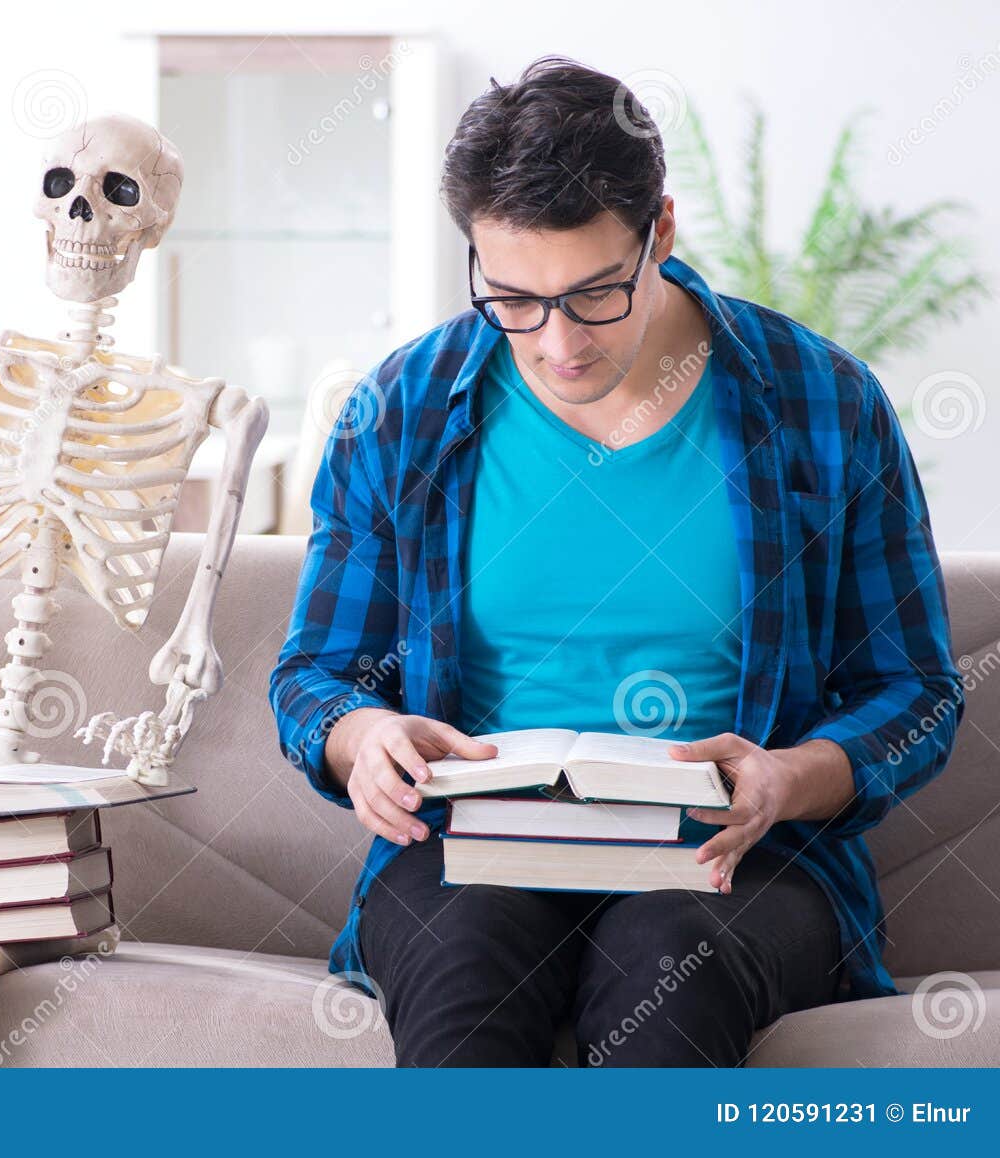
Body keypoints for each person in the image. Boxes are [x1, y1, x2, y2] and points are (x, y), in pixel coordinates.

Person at [268, 55, 964, 1067]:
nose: (556, 344)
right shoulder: (401, 412)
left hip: (740, 857)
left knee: (668, 957)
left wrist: (790, 777)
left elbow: (918, 691)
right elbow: (310, 676)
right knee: (464, 961)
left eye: (595, 294)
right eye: (511, 298)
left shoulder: (824, 402)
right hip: (473, 850)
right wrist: (359, 735)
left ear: (661, 234)